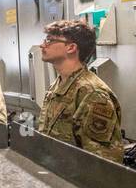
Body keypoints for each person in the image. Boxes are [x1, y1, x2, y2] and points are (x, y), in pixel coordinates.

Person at [36, 19, 124, 162]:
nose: (42, 45)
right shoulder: (58, 85)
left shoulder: (92, 93)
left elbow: (102, 161)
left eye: (50, 40)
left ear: (71, 48)